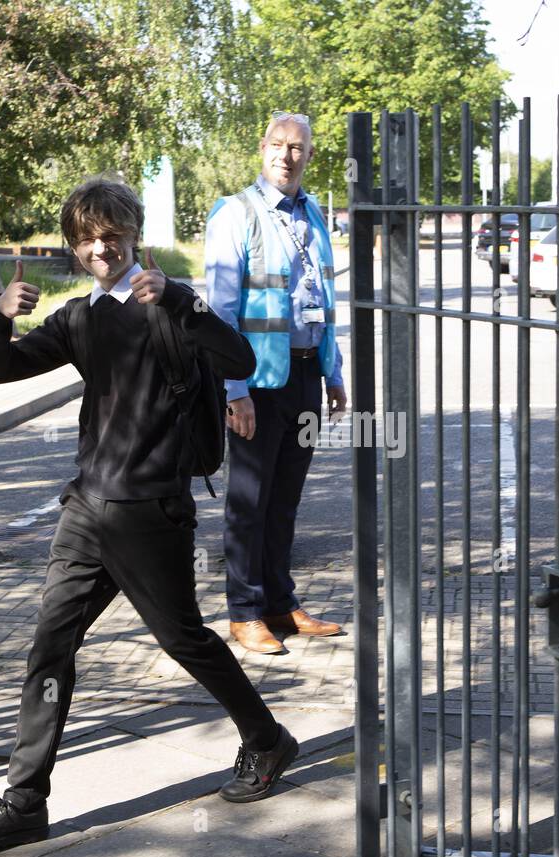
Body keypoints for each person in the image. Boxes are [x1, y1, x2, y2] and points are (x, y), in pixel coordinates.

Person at [0, 177, 299, 856]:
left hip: (151, 509)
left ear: (132, 233)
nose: (101, 248)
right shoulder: (80, 317)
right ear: (75, 247)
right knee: (50, 646)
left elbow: (241, 358)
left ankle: (266, 738)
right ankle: (24, 801)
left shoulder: (168, 301)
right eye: (87, 238)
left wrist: (182, 302)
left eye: (112, 235)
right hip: (86, 507)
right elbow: (0, 370)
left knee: (184, 639)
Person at [204, 111, 347, 654]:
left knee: (285, 500)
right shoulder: (235, 213)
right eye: (279, 145)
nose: (288, 156)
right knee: (249, 500)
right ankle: (243, 612)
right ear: (262, 148)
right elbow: (218, 314)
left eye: (299, 148)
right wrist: (233, 390)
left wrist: (332, 373)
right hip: (257, 383)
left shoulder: (314, 213)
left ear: (309, 156)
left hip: (306, 374)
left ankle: (280, 603)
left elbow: (325, 302)